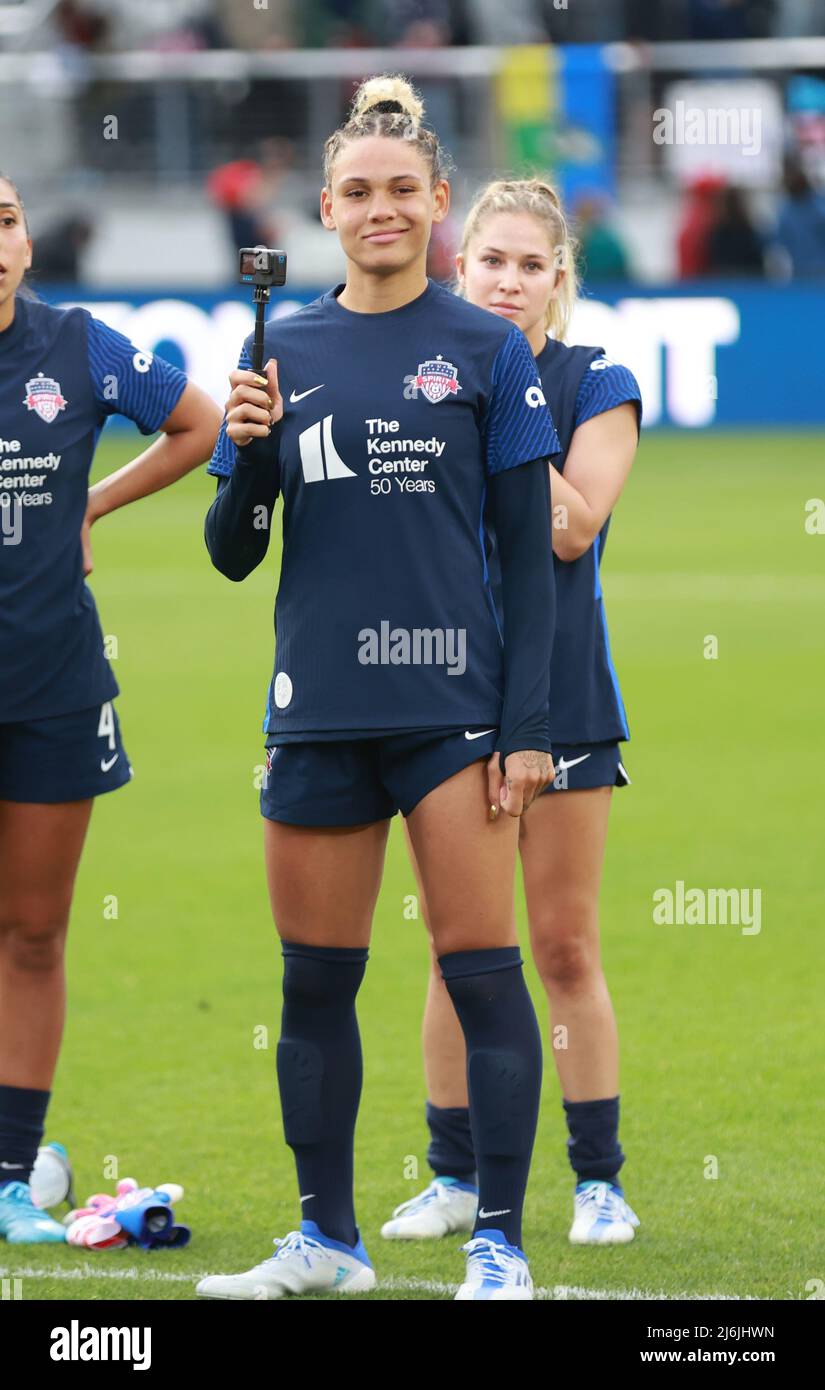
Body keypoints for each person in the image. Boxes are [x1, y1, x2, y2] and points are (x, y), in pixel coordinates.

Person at [197, 75, 561, 1302]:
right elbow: (234, 551)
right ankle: (327, 1241)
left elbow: (533, 560)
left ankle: (497, 1244)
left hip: (454, 720)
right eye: (358, 192)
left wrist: (527, 731)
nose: (382, 209)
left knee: (482, 973)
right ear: (327, 207)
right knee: (314, 985)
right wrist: (245, 460)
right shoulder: (279, 346)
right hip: (317, 715)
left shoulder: (489, 349)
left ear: (439, 201)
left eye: (404, 190)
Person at [380, 177, 642, 1247]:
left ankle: (597, 1180)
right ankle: (452, 1175)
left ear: (557, 283)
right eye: (493, 260)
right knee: (460, 947)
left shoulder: (596, 379)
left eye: (533, 265)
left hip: (564, 693)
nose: (510, 279)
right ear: (460, 265)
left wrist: (496, 411)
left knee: (564, 944)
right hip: (448, 695)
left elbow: (572, 526)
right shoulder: (422, 379)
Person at [0, 172, 222, 1244]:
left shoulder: (78, 346)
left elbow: (198, 422)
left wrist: (94, 498)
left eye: (2, 221)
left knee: (34, 933)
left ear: (27, 241)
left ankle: (9, 1170)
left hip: (52, 684)